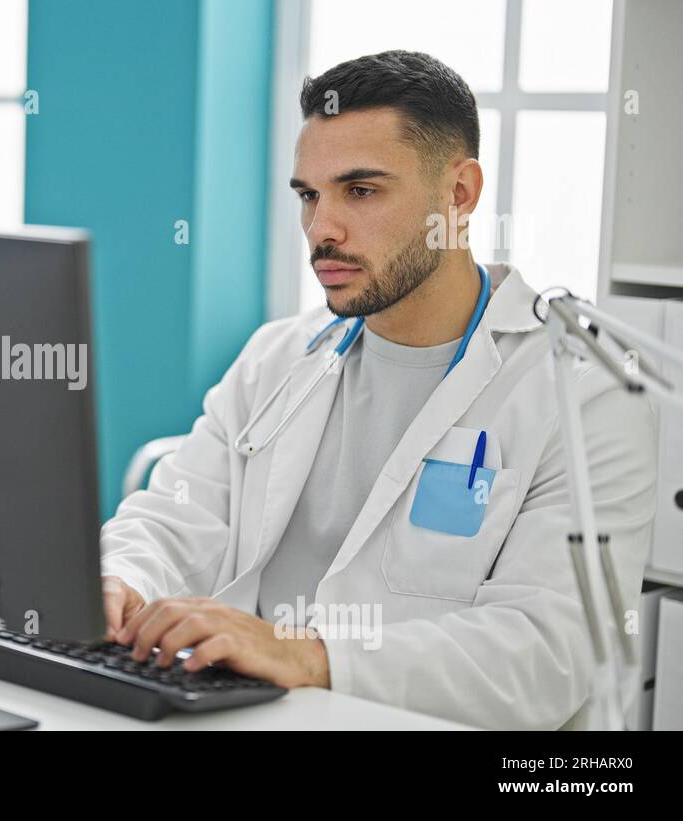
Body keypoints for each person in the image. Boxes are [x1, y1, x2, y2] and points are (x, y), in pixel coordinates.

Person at [99, 51, 656, 730]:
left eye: (360, 191)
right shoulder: (275, 357)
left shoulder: (584, 392)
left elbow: (549, 653)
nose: (321, 229)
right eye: (309, 195)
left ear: (458, 195)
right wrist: (117, 580)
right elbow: (172, 518)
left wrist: (308, 653)